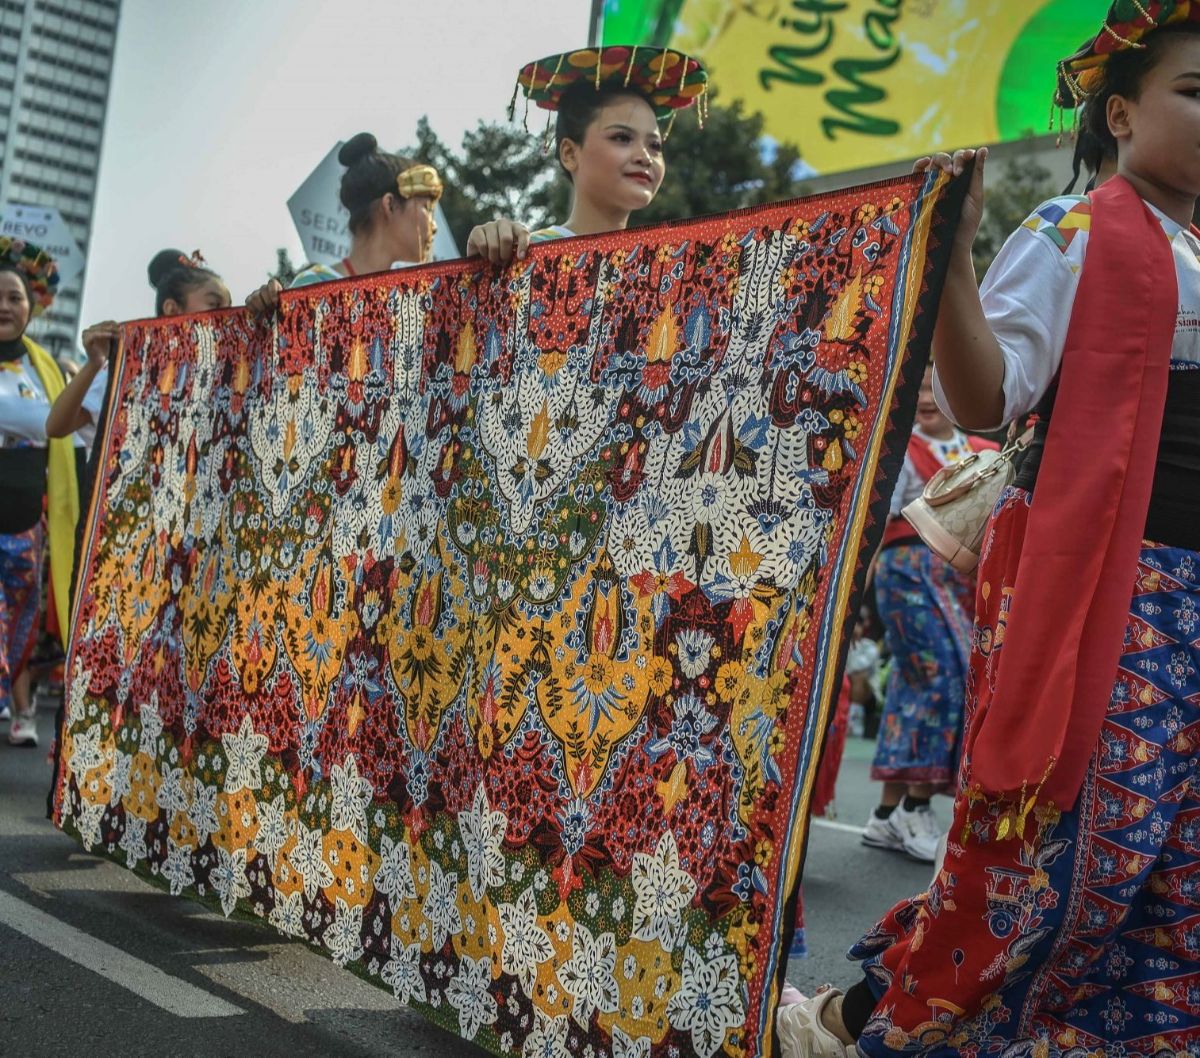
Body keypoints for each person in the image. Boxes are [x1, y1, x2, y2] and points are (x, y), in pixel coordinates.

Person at [778, 7, 1200, 1056]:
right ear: (1119, 112)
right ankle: (882, 1022)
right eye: (1195, 90)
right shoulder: (1077, 230)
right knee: (1059, 866)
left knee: (1177, 877)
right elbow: (986, 397)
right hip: (1117, 589)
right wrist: (957, 257)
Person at [861, 365, 997, 863]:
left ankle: (885, 816)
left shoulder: (985, 453)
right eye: (915, 388)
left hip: (959, 582)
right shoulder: (899, 449)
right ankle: (915, 807)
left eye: (932, 387)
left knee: (914, 684)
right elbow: (874, 524)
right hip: (908, 575)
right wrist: (859, 590)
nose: (924, 398)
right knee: (940, 677)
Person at [466, 44, 708, 258]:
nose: (645, 157)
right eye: (622, 137)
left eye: (655, 146)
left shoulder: (663, 266)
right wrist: (487, 256)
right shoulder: (524, 254)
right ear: (570, 154)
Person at [0, 236, 77, 746]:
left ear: (32, 308)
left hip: (28, 527)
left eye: (14, 297)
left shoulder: (49, 370)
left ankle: (17, 702)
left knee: (19, 633)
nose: (4, 307)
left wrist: (87, 373)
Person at [45, 250, 230, 441]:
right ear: (172, 309)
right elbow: (56, 427)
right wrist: (94, 363)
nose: (228, 316)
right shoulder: (131, 372)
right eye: (215, 304)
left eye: (230, 307)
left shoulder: (227, 377)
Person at [245, 134, 443, 311]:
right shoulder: (313, 287)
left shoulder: (412, 296)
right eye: (426, 208)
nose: (433, 227)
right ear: (390, 205)